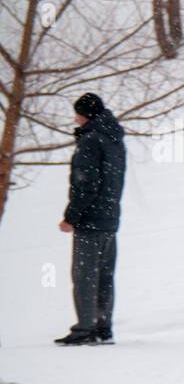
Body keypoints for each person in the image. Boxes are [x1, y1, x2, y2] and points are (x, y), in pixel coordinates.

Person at [55, 93, 127, 346]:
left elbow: (85, 185)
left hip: (91, 219)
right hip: (109, 218)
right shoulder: (114, 139)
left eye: (78, 113)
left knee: (85, 275)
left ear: (86, 114)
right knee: (105, 275)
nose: (75, 117)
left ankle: (85, 329)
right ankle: (102, 327)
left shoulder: (91, 140)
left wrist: (71, 217)